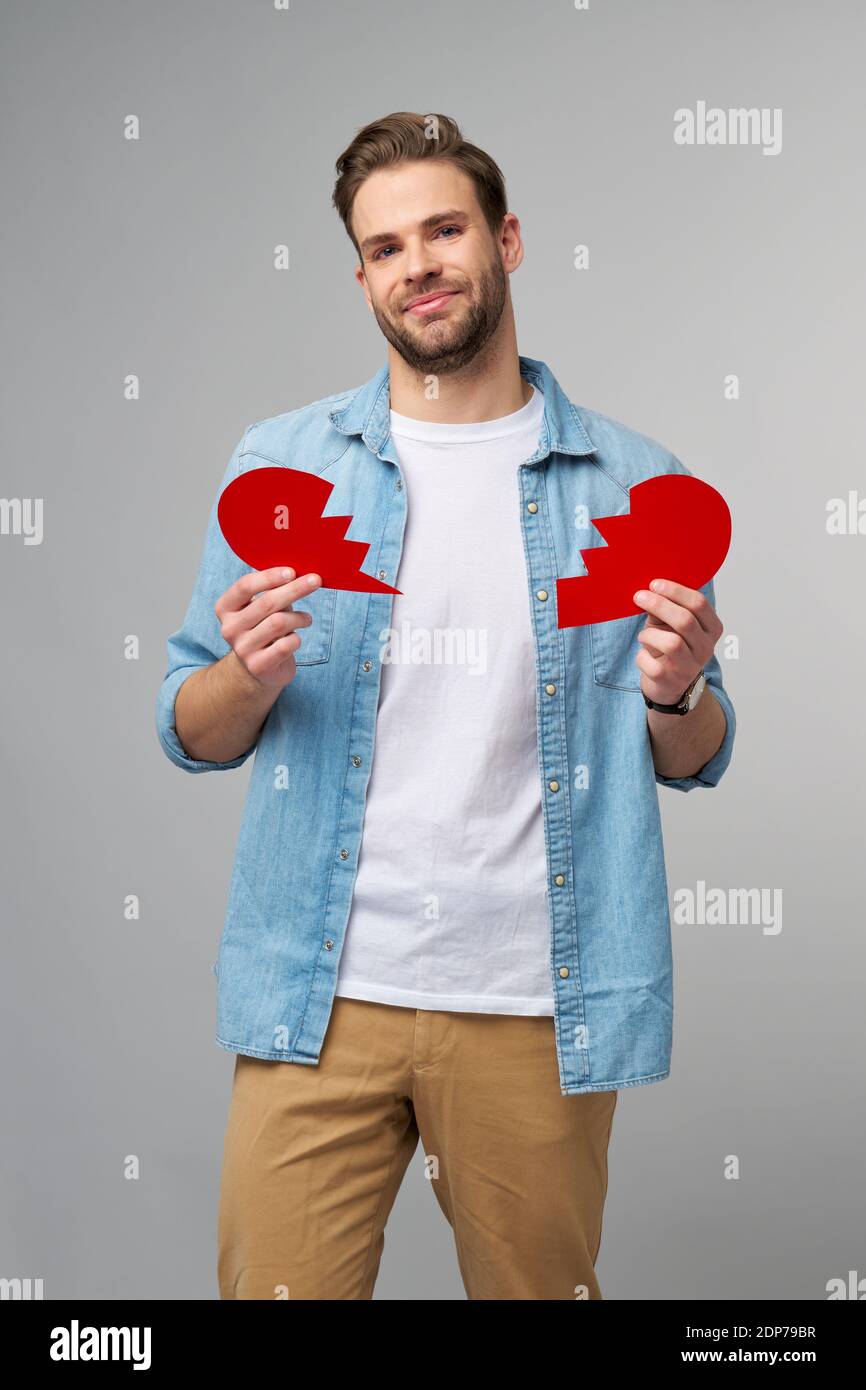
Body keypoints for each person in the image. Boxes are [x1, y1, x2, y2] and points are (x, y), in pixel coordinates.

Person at [155, 111, 736, 1301]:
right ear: (361, 276)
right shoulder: (281, 468)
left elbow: (695, 750)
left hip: (536, 1002)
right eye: (383, 247)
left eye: (442, 229)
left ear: (505, 240)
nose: (415, 264)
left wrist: (674, 693)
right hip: (319, 997)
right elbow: (190, 726)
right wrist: (245, 676)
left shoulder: (642, 485)